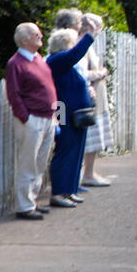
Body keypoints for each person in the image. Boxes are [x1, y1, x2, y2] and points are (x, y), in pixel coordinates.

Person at [5, 23, 58, 219]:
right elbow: (13, 94)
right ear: (25, 38)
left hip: (47, 117)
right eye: (36, 34)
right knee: (28, 163)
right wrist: (25, 118)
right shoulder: (16, 64)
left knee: (40, 162)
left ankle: (32, 200)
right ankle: (24, 206)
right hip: (32, 120)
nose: (40, 36)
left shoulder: (39, 59)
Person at [45, 25, 98, 207]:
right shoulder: (57, 59)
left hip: (75, 113)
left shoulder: (63, 61)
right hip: (64, 111)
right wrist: (90, 35)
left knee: (76, 151)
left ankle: (70, 189)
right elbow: (75, 54)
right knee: (65, 150)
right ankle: (59, 192)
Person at [78, 13, 113, 186]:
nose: (98, 31)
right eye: (97, 28)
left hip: (97, 98)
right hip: (89, 100)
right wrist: (99, 73)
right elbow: (80, 72)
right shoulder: (79, 43)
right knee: (91, 138)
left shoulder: (88, 44)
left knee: (96, 138)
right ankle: (88, 174)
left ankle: (90, 172)